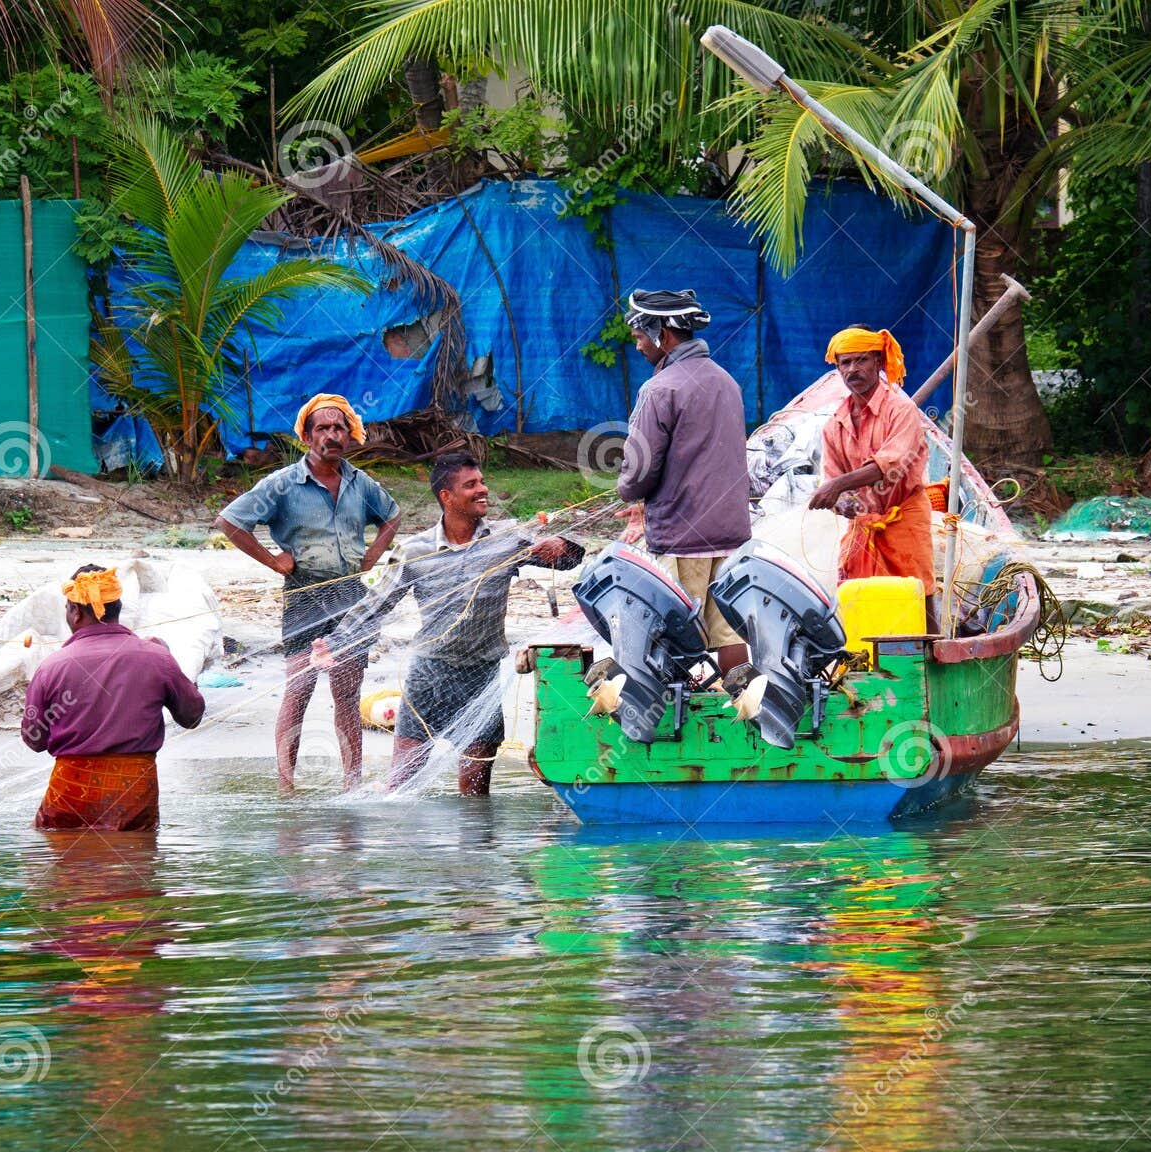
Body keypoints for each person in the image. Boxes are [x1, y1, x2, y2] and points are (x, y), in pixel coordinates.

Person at [310, 453, 583, 796]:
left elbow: (571, 560)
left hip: (480, 678)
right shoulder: (415, 550)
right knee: (401, 787)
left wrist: (562, 546)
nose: (483, 490)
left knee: (475, 794)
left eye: (482, 481)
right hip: (429, 675)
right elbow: (378, 603)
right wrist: (336, 641)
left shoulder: (507, 539)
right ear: (447, 497)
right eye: (471, 485)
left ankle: (473, 850)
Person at [218, 393, 402, 792]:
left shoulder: (360, 482)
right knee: (298, 690)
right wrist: (273, 561)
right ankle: (287, 785)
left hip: (351, 597)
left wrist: (370, 558)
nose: (331, 436)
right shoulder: (283, 484)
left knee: (347, 695)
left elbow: (392, 515)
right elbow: (230, 522)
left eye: (339, 428)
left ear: (350, 435)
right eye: (322, 428)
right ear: (306, 436)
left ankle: (351, 784)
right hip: (303, 594)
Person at [615, 288, 752, 675]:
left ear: (663, 333)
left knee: (673, 631)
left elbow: (639, 472)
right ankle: (734, 712)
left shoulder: (660, 389)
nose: (639, 346)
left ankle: (681, 725)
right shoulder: (727, 382)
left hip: (681, 534)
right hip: (731, 531)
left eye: (642, 337)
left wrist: (626, 489)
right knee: (729, 633)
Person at [23, 564, 205, 833]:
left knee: (66, 863)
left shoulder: (52, 666)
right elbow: (192, 717)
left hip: (72, 793)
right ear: (117, 609)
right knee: (132, 863)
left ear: (75, 612)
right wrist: (171, 661)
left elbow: (33, 739)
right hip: (133, 793)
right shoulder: (157, 657)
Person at [809, 326, 936, 620]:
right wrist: (842, 500)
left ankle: (929, 657)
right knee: (856, 597)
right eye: (845, 362)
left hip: (904, 515)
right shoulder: (835, 425)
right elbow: (834, 481)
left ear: (879, 362)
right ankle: (864, 658)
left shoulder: (901, 410)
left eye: (861, 360)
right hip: (863, 525)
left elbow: (889, 465)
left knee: (919, 594)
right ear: (838, 368)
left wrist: (837, 486)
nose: (853, 369)